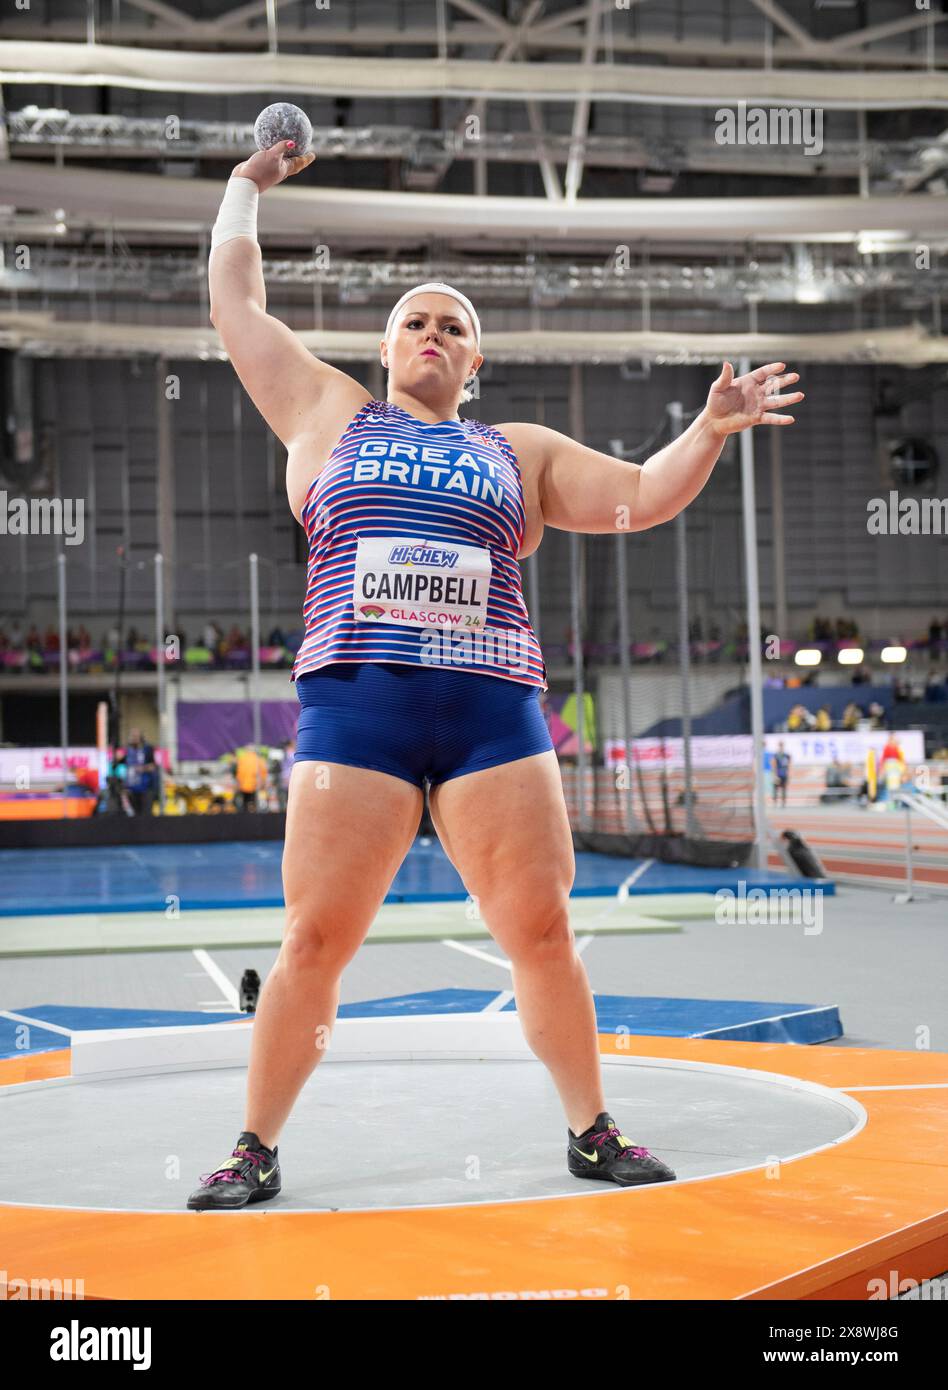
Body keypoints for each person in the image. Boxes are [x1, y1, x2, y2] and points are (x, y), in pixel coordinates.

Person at [188, 135, 805, 1211]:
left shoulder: (517, 452)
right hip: (354, 717)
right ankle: (255, 1145)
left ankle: (590, 1129)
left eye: (455, 327)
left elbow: (643, 496)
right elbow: (235, 304)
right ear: (387, 349)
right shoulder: (324, 410)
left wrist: (708, 429)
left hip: (492, 720)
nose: (435, 333)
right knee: (314, 940)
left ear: (477, 363)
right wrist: (245, 186)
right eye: (416, 321)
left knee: (542, 928)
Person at [124, 728, 157, 816]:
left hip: (145, 788)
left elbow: (153, 766)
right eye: (131, 736)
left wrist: (142, 768)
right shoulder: (127, 751)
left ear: (140, 738)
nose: (133, 738)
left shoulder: (147, 749)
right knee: (135, 814)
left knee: (146, 814)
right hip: (131, 788)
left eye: (135, 736)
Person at [773, 741, 791, 806]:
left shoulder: (786, 755)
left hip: (784, 774)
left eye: (782, 745)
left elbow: (788, 765)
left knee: (784, 788)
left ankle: (783, 802)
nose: (781, 747)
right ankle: (775, 801)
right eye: (780, 745)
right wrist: (775, 774)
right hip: (778, 774)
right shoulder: (776, 755)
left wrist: (788, 773)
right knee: (776, 788)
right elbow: (774, 764)